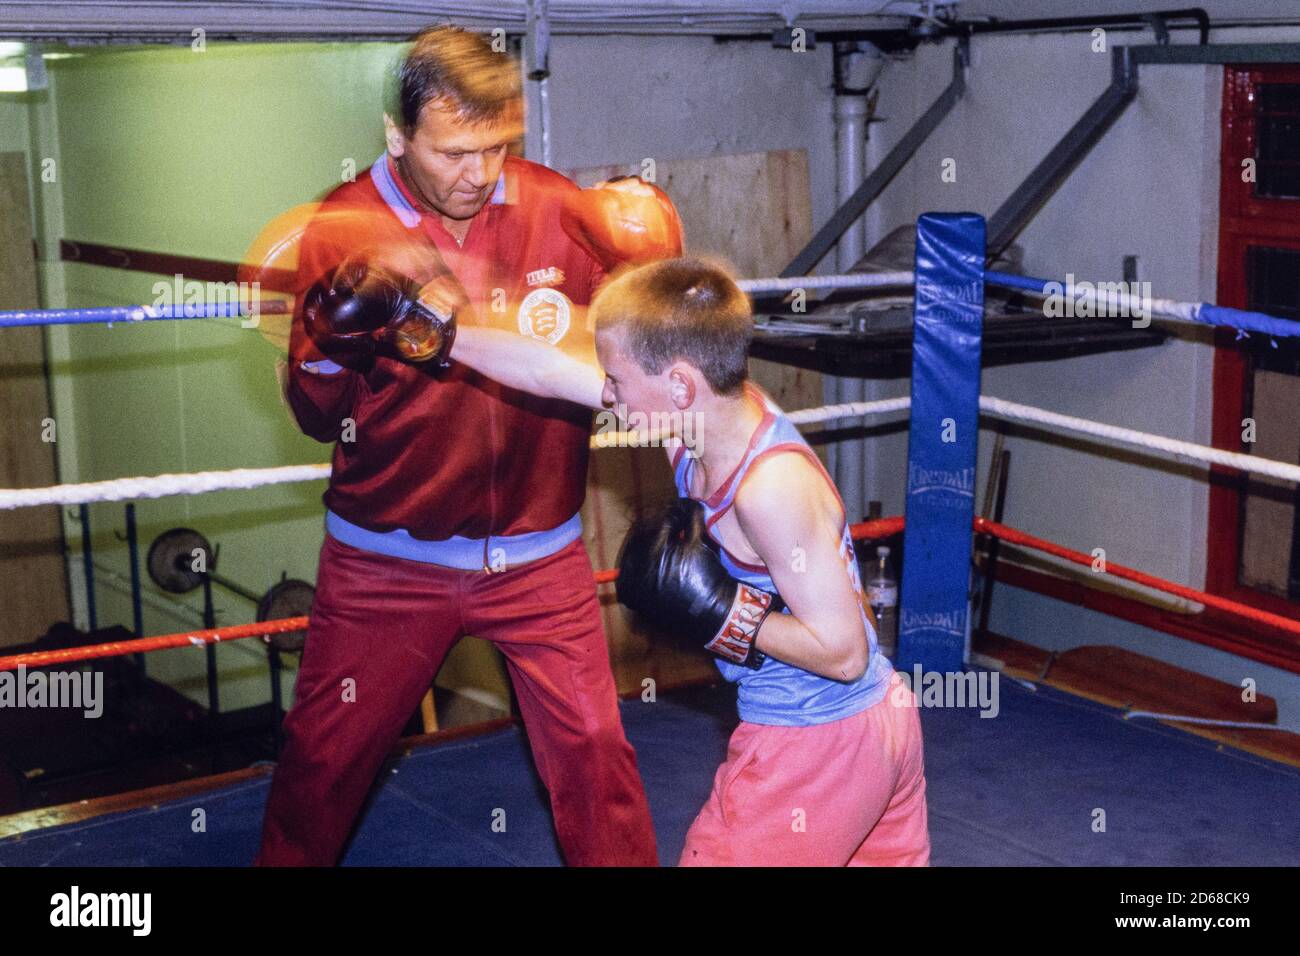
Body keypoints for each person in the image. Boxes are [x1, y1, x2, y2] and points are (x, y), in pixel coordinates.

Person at [255, 25, 681, 867]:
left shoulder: (557, 208)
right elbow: (314, 415)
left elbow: (638, 354)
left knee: (596, 752)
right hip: (387, 563)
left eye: (495, 148)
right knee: (323, 764)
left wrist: (658, 277)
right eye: (452, 152)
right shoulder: (344, 229)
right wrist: (327, 347)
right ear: (396, 136)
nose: (476, 175)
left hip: (538, 555)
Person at [440, 256, 932, 866]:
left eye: (617, 380)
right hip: (870, 730)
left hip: (816, 741)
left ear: (678, 383)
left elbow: (845, 652)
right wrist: (438, 336)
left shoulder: (769, 490)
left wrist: (722, 610)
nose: (609, 396)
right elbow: (543, 370)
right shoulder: (696, 419)